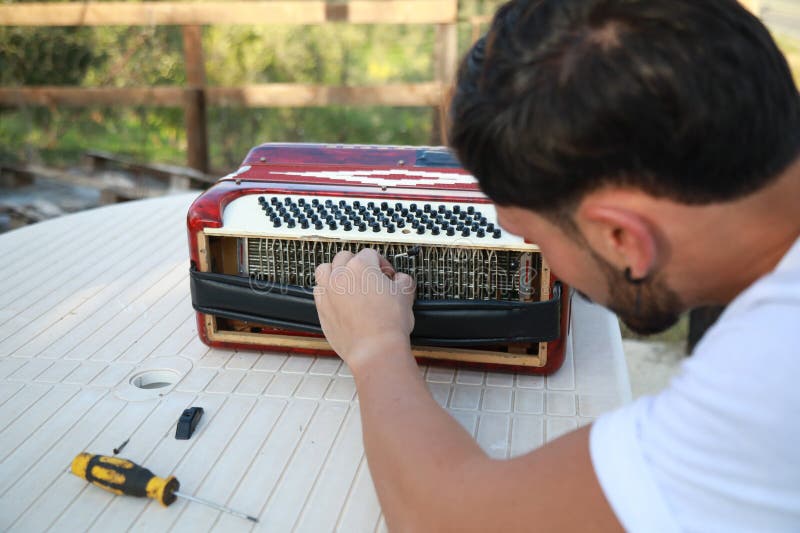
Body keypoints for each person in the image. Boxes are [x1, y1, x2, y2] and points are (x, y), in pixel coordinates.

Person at [313, 0, 800, 530]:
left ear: (621, 238)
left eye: (535, 239)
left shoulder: (767, 378)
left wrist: (375, 347)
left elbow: (450, 519)